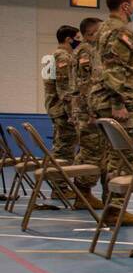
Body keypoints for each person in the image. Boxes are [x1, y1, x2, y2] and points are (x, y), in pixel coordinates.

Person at [87, 0, 133, 226]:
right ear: (125, 6)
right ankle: (115, 209)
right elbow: (115, 69)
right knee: (124, 157)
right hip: (118, 103)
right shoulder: (121, 31)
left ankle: (111, 207)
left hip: (101, 100)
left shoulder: (102, 29)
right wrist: (118, 102)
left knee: (112, 156)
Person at [43, 25, 87, 204]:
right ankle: (60, 189)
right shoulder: (63, 57)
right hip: (63, 112)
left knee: (62, 149)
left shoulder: (53, 56)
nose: (80, 41)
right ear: (69, 39)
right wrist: (73, 114)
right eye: (78, 38)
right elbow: (65, 90)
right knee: (64, 152)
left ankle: (59, 187)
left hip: (57, 110)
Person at [72, 17, 105, 210]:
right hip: (87, 112)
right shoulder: (86, 51)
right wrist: (93, 111)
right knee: (91, 154)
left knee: (91, 153)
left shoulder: (91, 50)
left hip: (88, 110)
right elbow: (85, 84)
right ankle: (82, 195)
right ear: (90, 33)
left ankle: (83, 195)